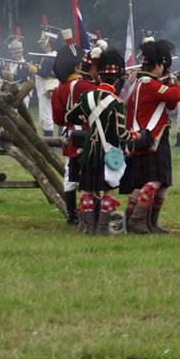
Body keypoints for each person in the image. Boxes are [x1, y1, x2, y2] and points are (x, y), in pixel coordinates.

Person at [65, 48, 131, 234]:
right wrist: (135, 136)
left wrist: (86, 120)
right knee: (108, 190)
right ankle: (102, 228)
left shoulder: (87, 97)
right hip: (108, 150)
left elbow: (70, 117)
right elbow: (120, 133)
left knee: (87, 189)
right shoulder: (117, 102)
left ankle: (87, 227)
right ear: (117, 80)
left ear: (100, 76)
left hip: (89, 150)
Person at [120, 38, 180, 234]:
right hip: (152, 138)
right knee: (153, 180)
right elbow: (175, 96)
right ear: (158, 65)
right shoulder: (150, 84)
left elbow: (171, 104)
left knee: (157, 183)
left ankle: (147, 222)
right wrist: (174, 81)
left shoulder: (141, 83)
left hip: (145, 137)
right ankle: (137, 220)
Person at [50, 44, 92, 224]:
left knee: (70, 175)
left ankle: (72, 215)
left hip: (70, 136)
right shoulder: (85, 86)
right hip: (87, 134)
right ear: (77, 67)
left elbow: (59, 120)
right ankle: (88, 213)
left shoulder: (57, 91)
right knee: (90, 173)